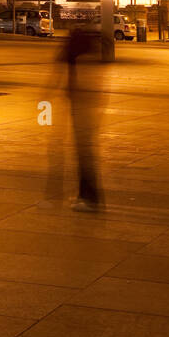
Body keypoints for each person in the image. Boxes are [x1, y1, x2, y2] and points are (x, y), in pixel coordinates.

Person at [61, 25, 104, 211]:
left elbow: (83, 83)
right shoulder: (86, 55)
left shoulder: (79, 56)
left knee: (84, 153)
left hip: (82, 108)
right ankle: (85, 195)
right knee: (84, 153)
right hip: (85, 108)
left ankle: (90, 198)